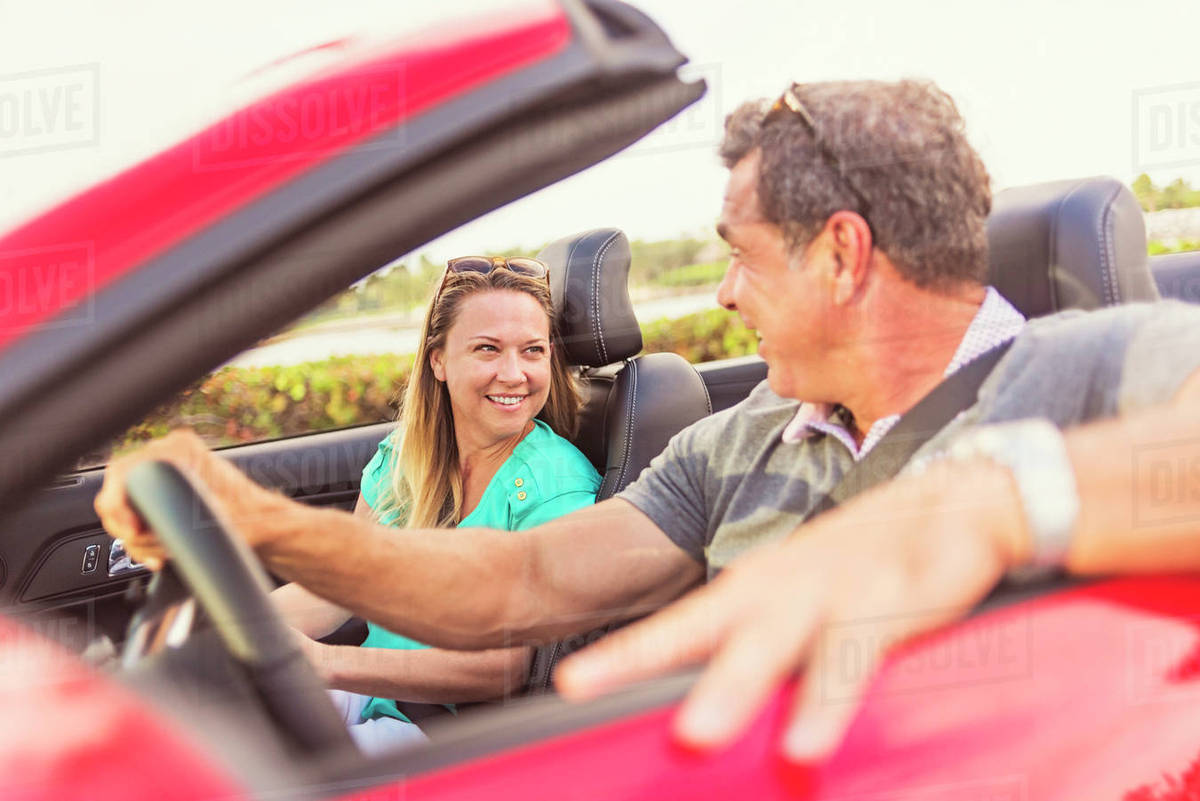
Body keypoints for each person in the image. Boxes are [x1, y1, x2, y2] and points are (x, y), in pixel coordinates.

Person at [95, 79, 1200, 760]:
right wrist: (268, 528)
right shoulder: (744, 435)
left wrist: (988, 503)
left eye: (740, 255)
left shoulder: (1087, 369)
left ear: (842, 255)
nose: (723, 294)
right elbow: (517, 584)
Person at [274, 255, 601, 754]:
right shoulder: (404, 457)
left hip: (440, 732)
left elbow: (509, 666)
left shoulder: (556, 486)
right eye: (488, 349)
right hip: (371, 696)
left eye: (532, 351)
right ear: (439, 360)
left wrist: (326, 664)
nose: (514, 374)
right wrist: (234, 630)